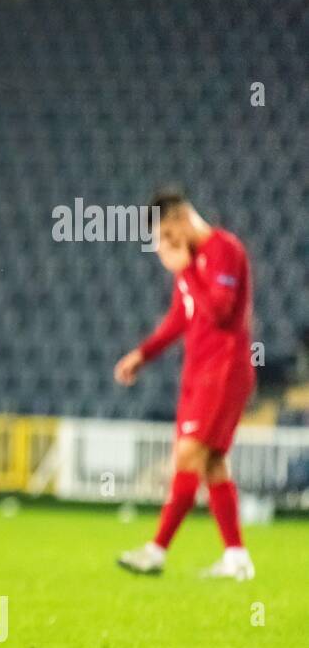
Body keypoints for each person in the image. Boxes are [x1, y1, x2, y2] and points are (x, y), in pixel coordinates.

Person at [114, 191, 256, 580]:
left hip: (223, 370)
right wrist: (142, 354)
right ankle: (236, 557)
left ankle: (156, 551)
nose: (164, 245)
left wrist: (187, 269)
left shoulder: (223, 249)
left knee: (188, 455)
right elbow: (180, 318)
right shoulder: (190, 265)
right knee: (213, 464)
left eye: (165, 235)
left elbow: (222, 311)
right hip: (199, 372)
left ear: (179, 220)